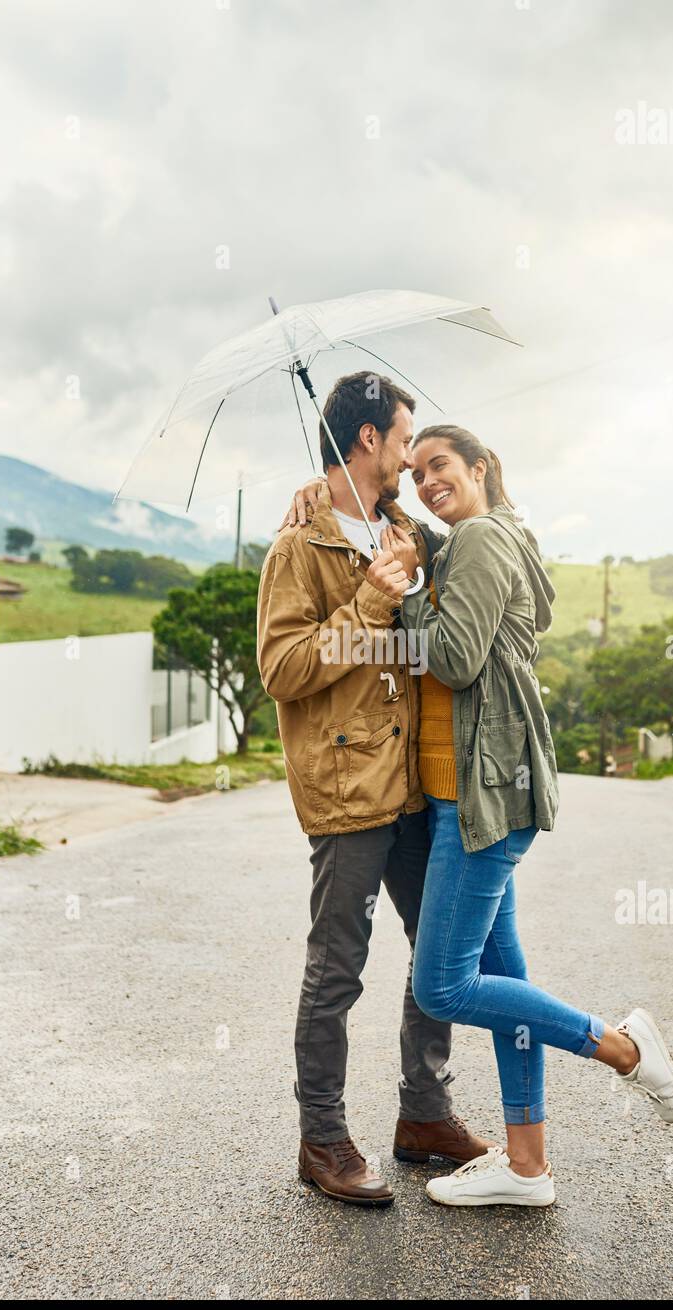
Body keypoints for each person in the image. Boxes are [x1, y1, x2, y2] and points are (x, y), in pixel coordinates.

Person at [360, 423, 673, 1209]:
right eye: (413, 471)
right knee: (502, 978)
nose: (424, 479)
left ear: (480, 467)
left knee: (443, 986)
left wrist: (403, 602)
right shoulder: (482, 537)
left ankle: (622, 1046)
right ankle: (527, 1166)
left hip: (483, 797)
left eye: (438, 464)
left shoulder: (476, 537)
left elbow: (454, 659)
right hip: (463, 796)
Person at [256, 373, 492, 1207]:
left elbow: (472, 537)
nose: (410, 458)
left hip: (415, 789)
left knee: (439, 954)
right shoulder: (295, 547)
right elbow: (283, 671)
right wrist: (367, 598)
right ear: (366, 440)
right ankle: (321, 1139)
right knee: (338, 969)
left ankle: (423, 1117)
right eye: (401, 440)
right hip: (346, 790)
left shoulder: (405, 531)